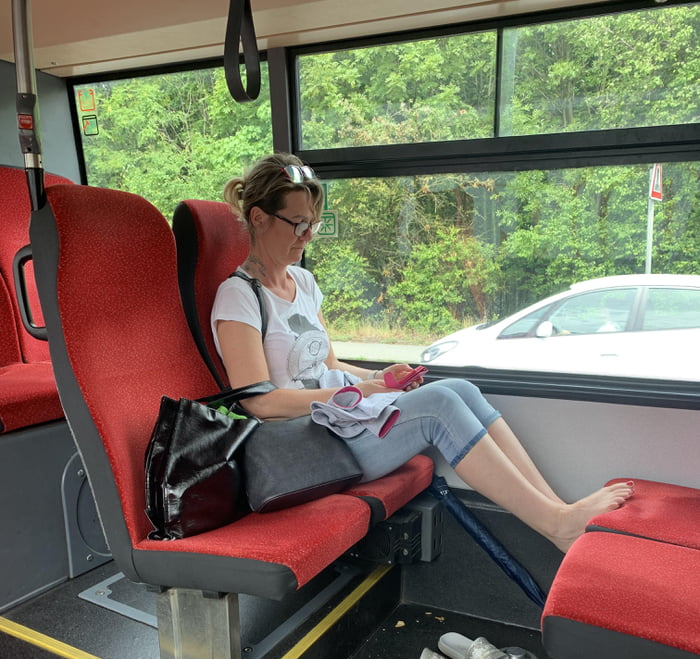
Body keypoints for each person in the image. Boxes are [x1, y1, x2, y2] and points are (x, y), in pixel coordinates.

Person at [211, 153, 632, 552]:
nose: (307, 236)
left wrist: (376, 381)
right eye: (298, 224)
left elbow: (330, 365)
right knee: (439, 405)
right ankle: (557, 522)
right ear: (259, 218)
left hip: (340, 420)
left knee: (461, 388)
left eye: (315, 225)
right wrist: (358, 395)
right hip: (306, 445)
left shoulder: (303, 284)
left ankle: (558, 513)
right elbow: (259, 402)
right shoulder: (239, 297)